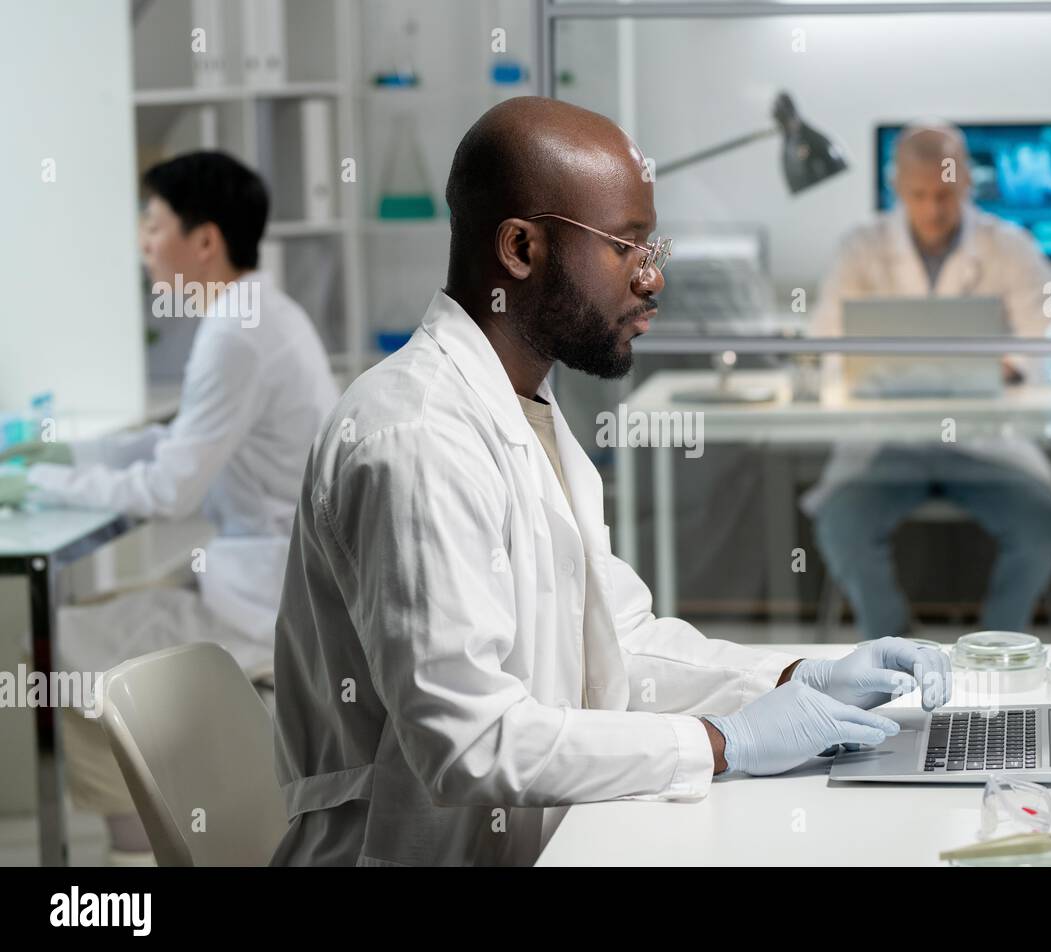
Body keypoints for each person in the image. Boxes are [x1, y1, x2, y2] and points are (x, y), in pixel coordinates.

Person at [271, 97, 952, 867]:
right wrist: (724, 743)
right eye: (625, 247)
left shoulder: (524, 408)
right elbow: (467, 741)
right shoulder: (417, 437)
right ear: (521, 248)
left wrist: (799, 675)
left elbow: (616, 647)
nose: (653, 277)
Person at [0, 151, 339, 862]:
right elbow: (182, 440)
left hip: (262, 596)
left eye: (153, 225)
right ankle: (137, 836)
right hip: (269, 576)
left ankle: (136, 842)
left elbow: (168, 489)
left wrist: (39, 486)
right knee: (82, 630)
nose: (143, 245)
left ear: (205, 240)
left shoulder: (235, 336)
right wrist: (70, 455)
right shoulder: (257, 313)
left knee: (58, 646)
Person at [803, 123, 1051, 640]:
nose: (933, 209)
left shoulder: (1010, 247)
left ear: (969, 182)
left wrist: (996, 367)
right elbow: (825, 342)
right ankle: (891, 643)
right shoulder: (860, 249)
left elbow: (1045, 339)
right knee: (842, 524)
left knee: (1042, 523)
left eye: (946, 194)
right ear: (896, 188)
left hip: (987, 442)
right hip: (884, 442)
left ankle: (998, 643)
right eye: (920, 195)